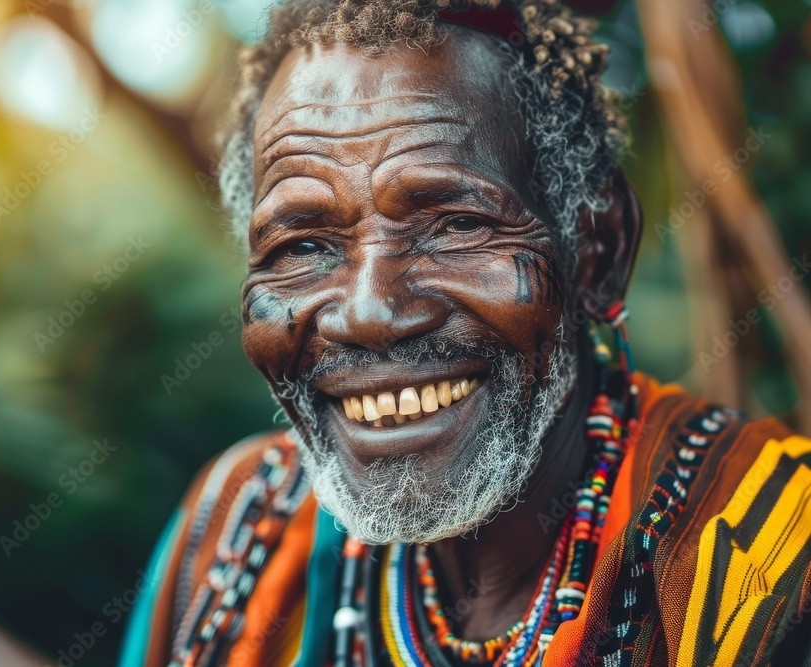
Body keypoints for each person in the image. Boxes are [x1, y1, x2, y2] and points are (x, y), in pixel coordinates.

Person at [120, 1, 811, 665]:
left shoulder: (778, 562)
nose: (369, 314)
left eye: (455, 225)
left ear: (597, 251)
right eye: (302, 247)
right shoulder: (236, 526)